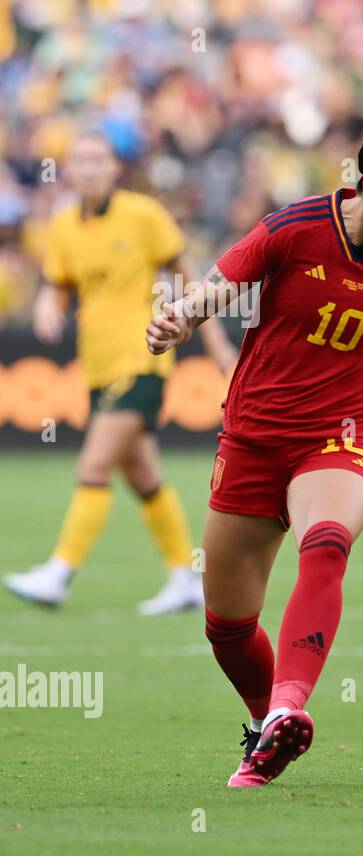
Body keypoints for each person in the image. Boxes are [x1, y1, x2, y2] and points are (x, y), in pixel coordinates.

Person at [144, 92, 363, 787]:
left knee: (327, 541)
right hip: (252, 434)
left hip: (342, 430)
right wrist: (183, 319)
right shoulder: (294, 227)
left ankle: (290, 708)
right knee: (226, 626)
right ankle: (265, 729)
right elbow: (223, 282)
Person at [5, 130, 236, 615]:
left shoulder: (143, 215)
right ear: (69, 170)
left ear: (115, 168)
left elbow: (187, 275)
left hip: (142, 360)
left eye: (98, 159)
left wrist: (215, 342)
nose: (89, 168)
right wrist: (49, 306)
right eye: (80, 159)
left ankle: (60, 572)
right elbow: (57, 284)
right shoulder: (64, 224)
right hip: (97, 367)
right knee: (142, 474)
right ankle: (184, 578)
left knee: (93, 466)